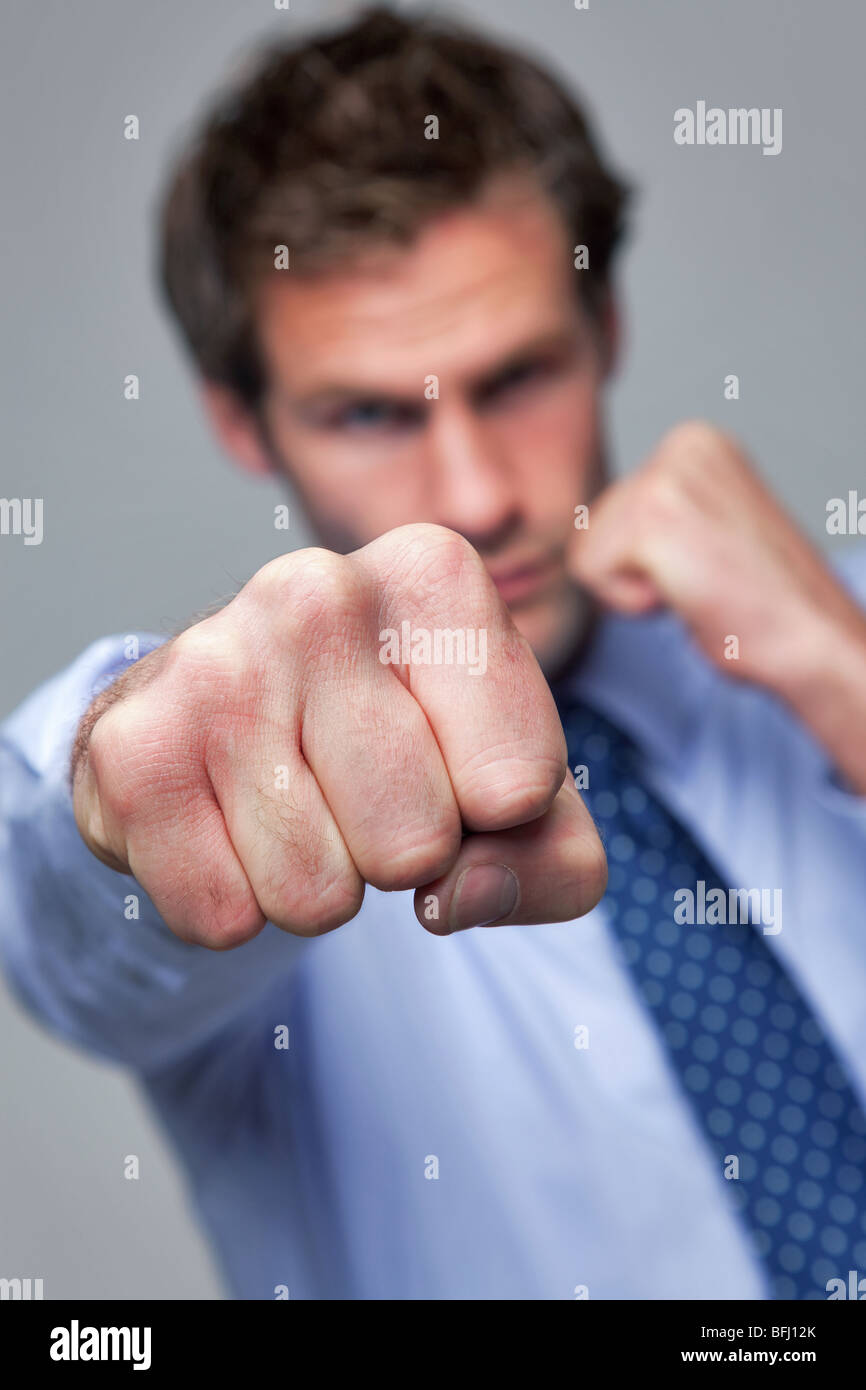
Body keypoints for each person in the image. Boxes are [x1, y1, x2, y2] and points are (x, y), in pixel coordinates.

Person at [2, 5, 865, 1301]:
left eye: (517, 376)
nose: (471, 491)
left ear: (607, 328)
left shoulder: (829, 634)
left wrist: (838, 667)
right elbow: (65, 919)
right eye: (363, 413)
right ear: (243, 425)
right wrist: (125, 771)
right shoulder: (258, 800)